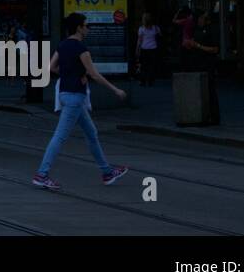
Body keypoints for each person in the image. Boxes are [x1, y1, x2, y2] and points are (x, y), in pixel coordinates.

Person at [32, 12, 129, 190]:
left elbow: (51, 67)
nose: (88, 28)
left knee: (91, 133)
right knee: (60, 136)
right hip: (75, 97)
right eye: (86, 25)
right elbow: (93, 74)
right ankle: (42, 174)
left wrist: (70, 75)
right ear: (79, 27)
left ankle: (107, 172)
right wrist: (115, 90)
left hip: (65, 95)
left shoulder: (63, 45)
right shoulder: (81, 48)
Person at [136, 13, 161, 87]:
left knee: (143, 66)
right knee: (152, 66)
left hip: (144, 48)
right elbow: (160, 35)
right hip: (153, 49)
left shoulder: (141, 29)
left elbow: (139, 41)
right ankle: (151, 81)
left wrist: (137, 49)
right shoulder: (156, 28)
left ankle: (142, 81)